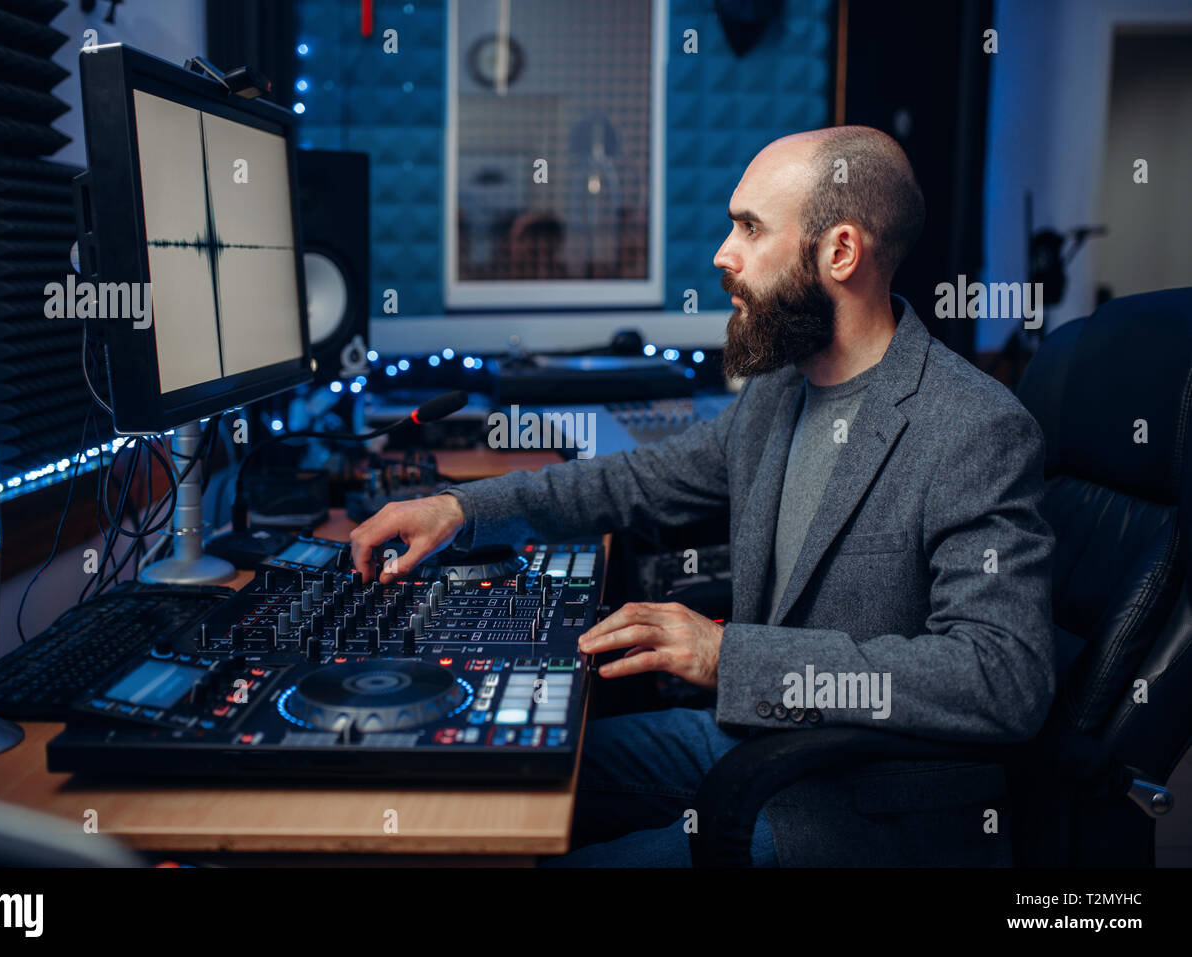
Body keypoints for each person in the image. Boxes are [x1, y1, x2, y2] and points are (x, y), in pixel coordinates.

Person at [350, 126, 1056, 867]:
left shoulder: (974, 427)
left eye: (750, 228)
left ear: (840, 253)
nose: (724, 253)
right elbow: (631, 481)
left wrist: (728, 654)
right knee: (486, 773)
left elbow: (1001, 676)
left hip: (865, 811)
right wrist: (462, 509)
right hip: (763, 742)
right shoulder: (782, 391)